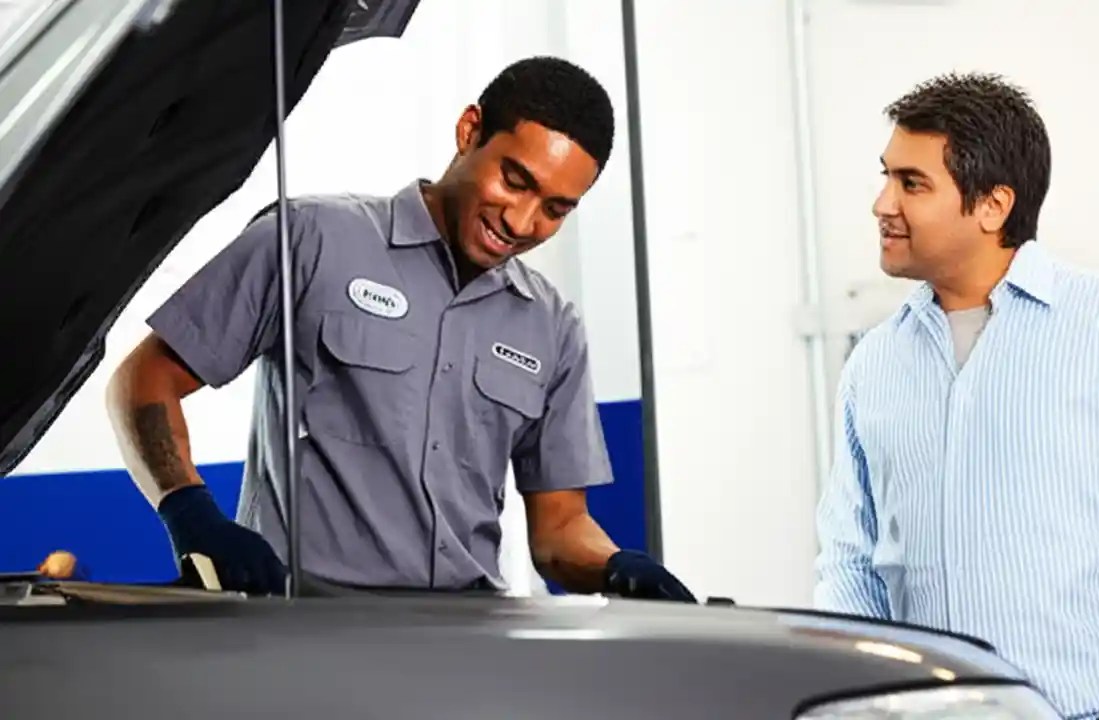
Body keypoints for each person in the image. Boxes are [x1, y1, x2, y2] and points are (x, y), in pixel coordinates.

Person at [105, 55, 695, 603]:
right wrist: (192, 515)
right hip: (303, 632)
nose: (522, 221)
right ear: (470, 131)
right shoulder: (309, 239)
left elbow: (559, 529)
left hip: (467, 647)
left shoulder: (550, 325)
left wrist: (617, 565)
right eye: (515, 180)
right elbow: (144, 379)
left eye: (555, 208)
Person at [813, 72, 1099, 720]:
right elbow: (851, 561)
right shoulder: (875, 363)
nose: (883, 203)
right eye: (886, 176)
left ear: (993, 205)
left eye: (911, 183)